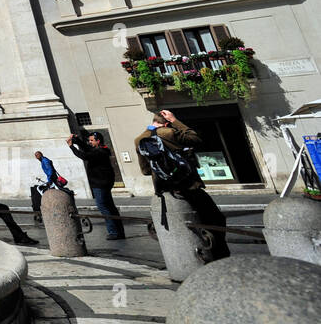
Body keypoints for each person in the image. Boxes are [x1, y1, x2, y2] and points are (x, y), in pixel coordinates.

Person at [134, 109, 230, 260]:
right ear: (166, 123)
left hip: (165, 190)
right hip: (189, 185)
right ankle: (220, 256)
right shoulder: (169, 132)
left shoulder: (139, 139)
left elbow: (145, 170)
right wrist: (175, 121)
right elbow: (195, 138)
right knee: (215, 220)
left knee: (185, 225)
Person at [68, 131, 125, 239]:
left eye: (92, 141)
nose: (89, 142)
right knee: (110, 207)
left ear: (98, 141)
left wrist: (72, 147)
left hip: (100, 183)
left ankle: (113, 232)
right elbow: (87, 148)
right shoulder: (101, 150)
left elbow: (84, 155)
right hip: (103, 182)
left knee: (104, 207)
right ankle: (120, 232)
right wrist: (77, 141)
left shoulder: (100, 152)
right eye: (89, 140)